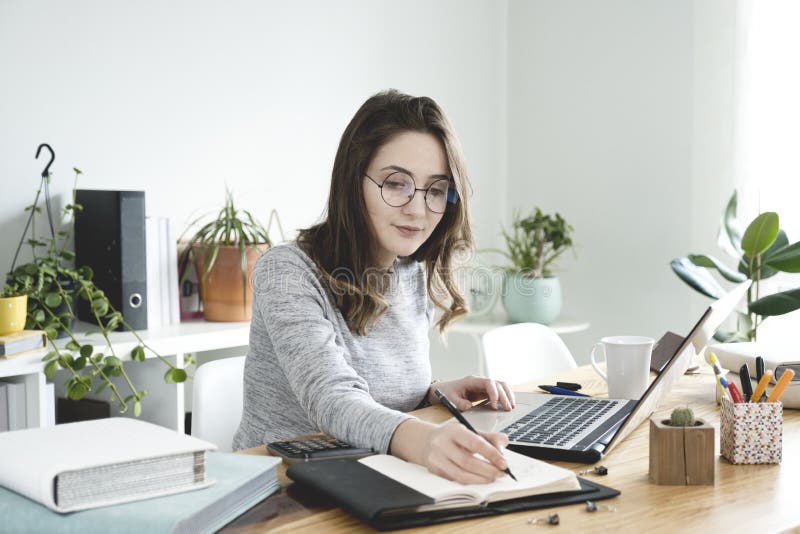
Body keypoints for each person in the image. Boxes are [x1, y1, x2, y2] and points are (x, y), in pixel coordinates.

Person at [232, 89, 515, 484]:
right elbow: (333, 400)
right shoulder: (285, 271)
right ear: (354, 181)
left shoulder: (411, 270)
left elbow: (375, 397)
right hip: (277, 490)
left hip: (372, 475)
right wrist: (427, 440)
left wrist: (431, 394)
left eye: (435, 190)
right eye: (396, 183)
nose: (418, 209)